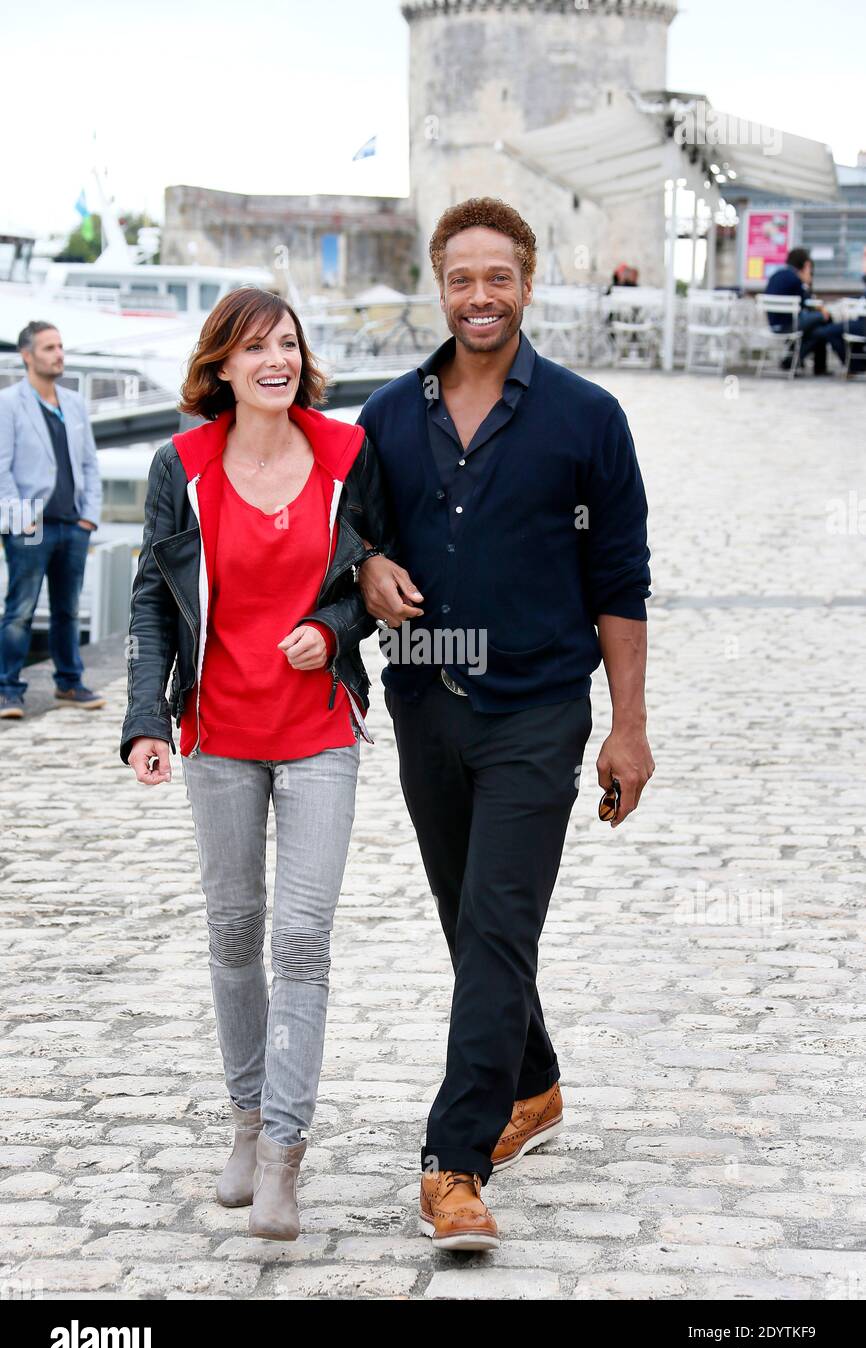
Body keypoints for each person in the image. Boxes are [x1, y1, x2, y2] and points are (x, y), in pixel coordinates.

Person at [356, 197, 654, 1252]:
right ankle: (532, 1081)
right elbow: (350, 537)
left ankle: (454, 1162)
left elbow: (619, 579)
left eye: (497, 278)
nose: (478, 296)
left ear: (526, 285)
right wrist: (367, 565)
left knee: (495, 922)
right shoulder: (387, 416)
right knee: (468, 917)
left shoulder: (587, 418)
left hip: (538, 708)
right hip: (424, 700)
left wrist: (627, 726)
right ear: (440, 288)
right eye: (460, 279)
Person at [119, 287, 392, 1241]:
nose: (276, 360)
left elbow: (369, 582)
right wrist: (146, 718)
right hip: (219, 734)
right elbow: (153, 599)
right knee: (235, 933)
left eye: (288, 344)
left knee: (302, 941)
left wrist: (332, 627)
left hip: (319, 730)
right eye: (254, 347)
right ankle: (244, 1120)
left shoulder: (348, 455)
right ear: (222, 367)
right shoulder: (182, 466)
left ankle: (282, 1153)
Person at [0, 321, 104, 717]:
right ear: (27, 355)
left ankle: (69, 683)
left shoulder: (74, 403)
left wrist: (88, 518)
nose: (59, 354)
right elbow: (1, 468)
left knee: (68, 610)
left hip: (72, 526)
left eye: (60, 346)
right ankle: (7, 689)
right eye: (49, 348)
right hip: (32, 524)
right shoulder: (9, 403)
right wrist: (20, 520)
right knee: (21, 609)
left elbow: (90, 464)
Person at [765, 248, 846, 374]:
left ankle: (793, 361)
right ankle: (815, 365)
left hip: (774, 325)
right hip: (789, 324)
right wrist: (807, 281)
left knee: (819, 330)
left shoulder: (776, 275)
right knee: (825, 319)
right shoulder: (795, 278)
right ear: (806, 264)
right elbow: (807, 302)